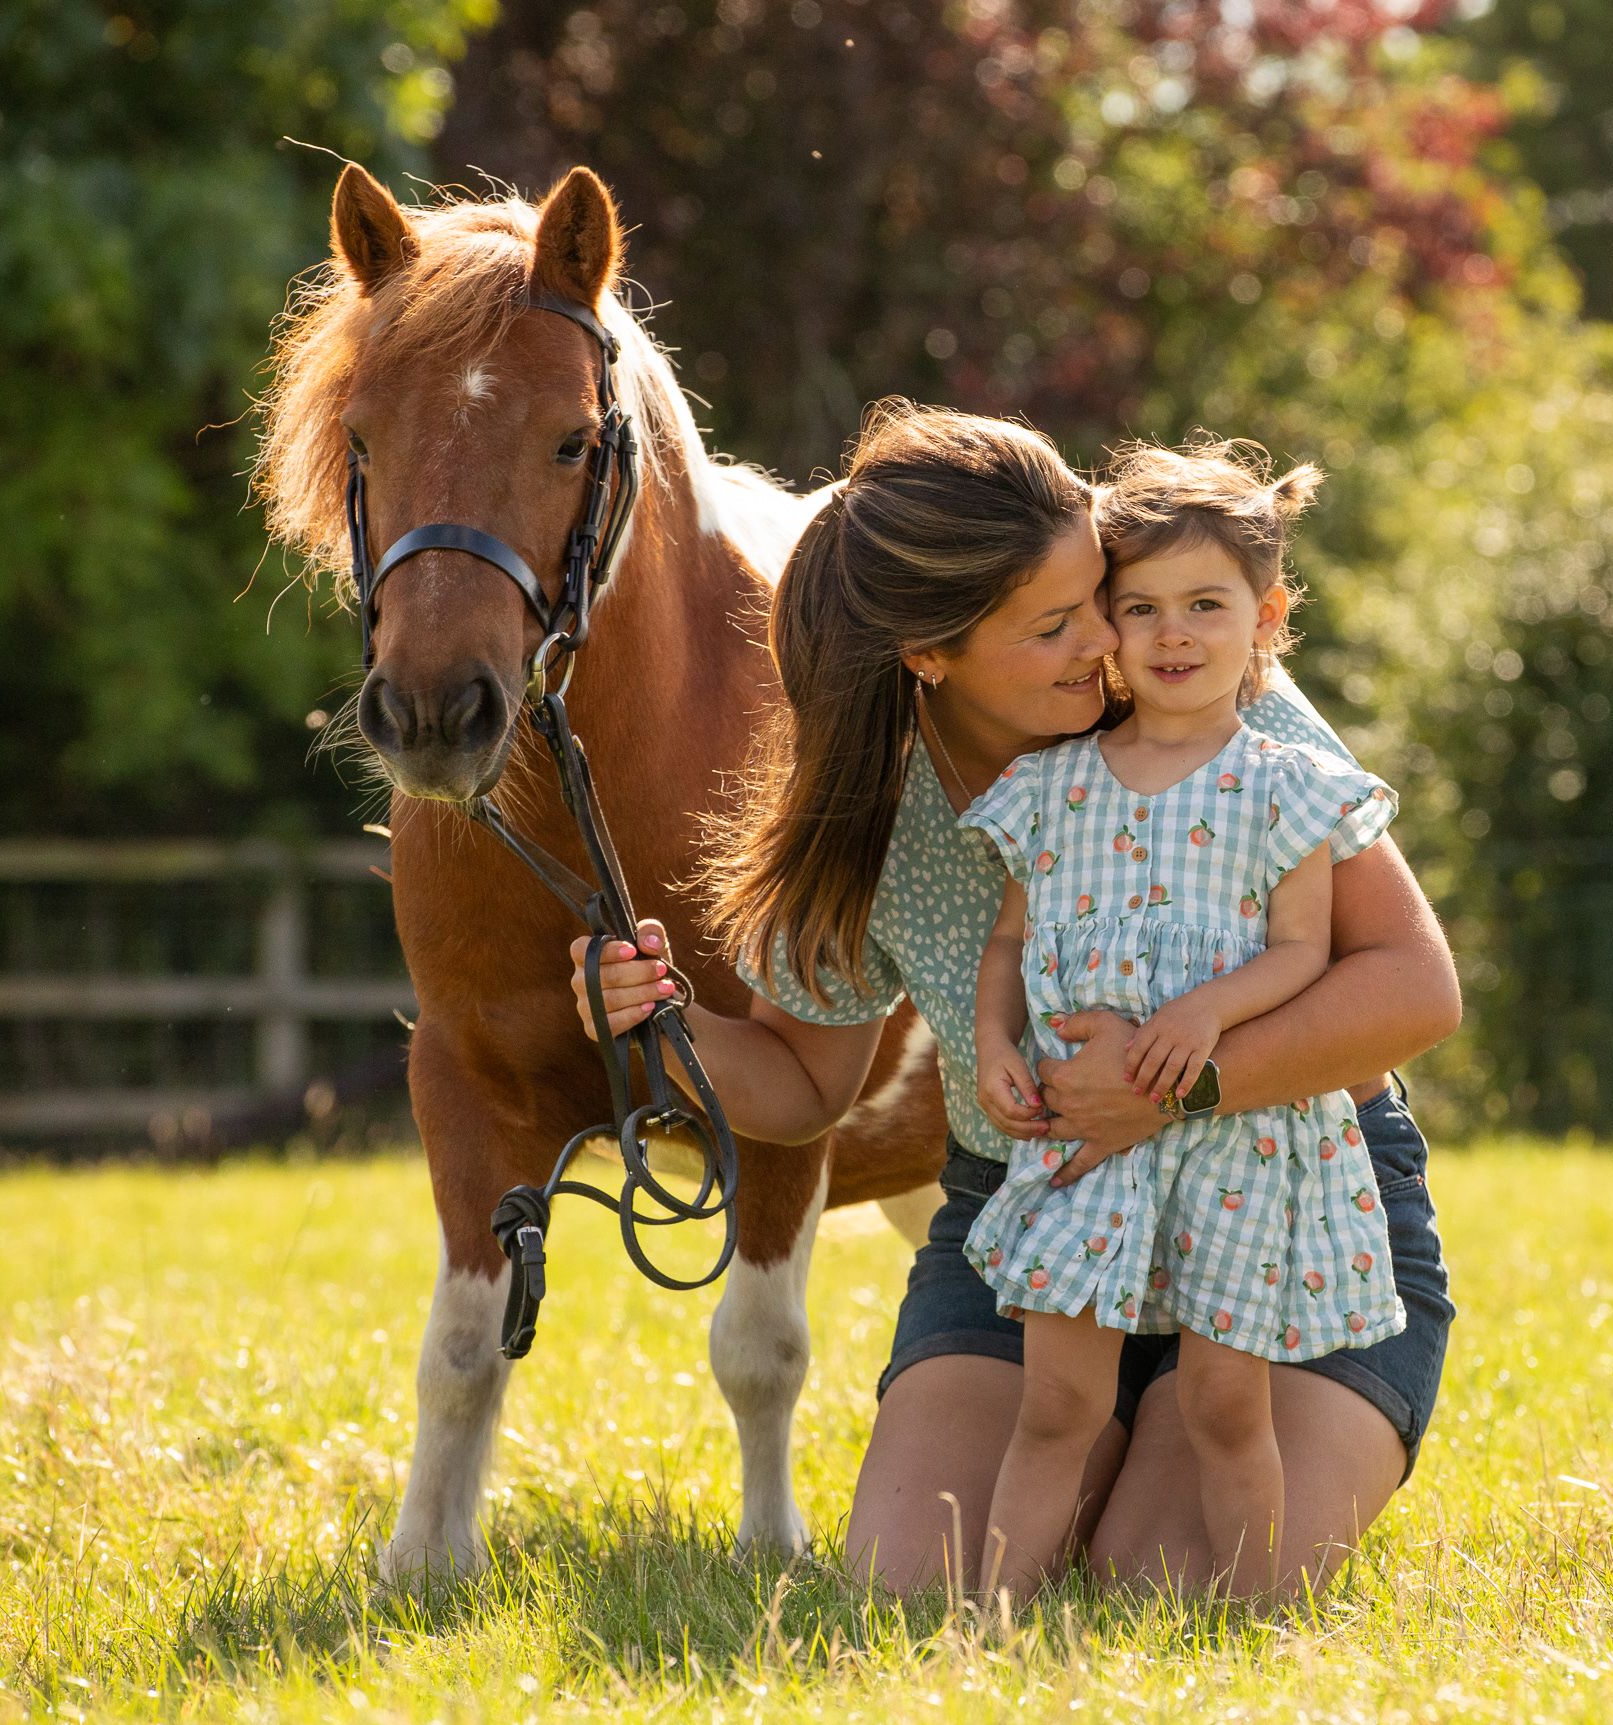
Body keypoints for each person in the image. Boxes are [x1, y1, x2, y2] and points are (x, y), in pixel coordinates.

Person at [569, 400, 1458, 1596]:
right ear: (929, 658)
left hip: (1281, 1197)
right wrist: (654, 1025)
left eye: (1099, 589)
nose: (1111, 637)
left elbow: (1413, 987)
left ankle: (1180, 1448)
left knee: (1166, 1585)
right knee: (910, 1583)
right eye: (1055, 624)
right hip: (1034, 1223)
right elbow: (796, 1084)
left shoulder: (1209, 697)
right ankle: (1103, 1438)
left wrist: (1173, 1089)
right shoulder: (873, 808)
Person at [959, 439, 1405, 1602]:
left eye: (1205, 605)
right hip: (1082, 1142)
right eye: (1139, 607)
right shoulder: (1051, 785)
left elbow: (1305, 949)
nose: (1171, 634)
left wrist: (1208, 1009)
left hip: (1234, 1150)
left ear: (1267, 616)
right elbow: (1007, 942)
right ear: (1104, 623)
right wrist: (994, 1044)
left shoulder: (1283, 786)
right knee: (1056, 1402)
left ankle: (1261, 1619)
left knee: (1222, 1404)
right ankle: (986, 1631)